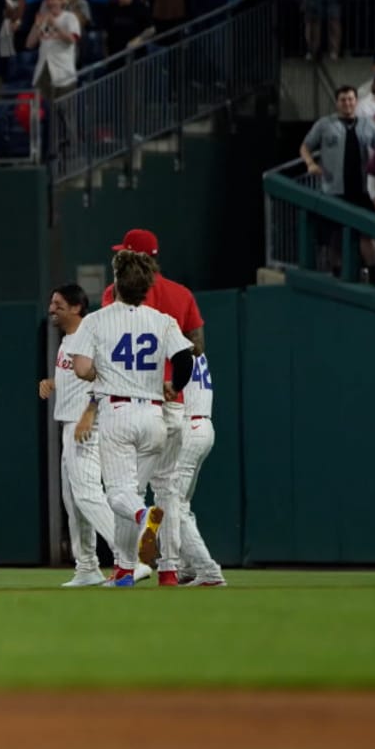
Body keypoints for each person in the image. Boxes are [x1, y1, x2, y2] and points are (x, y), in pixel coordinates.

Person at [67, 251, 195, 587]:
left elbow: (81, 369)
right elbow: (186, 357)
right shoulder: (162, 320)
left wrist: (99, 372)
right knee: (140, 489)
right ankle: (129, 569)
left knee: (120, 496)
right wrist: (174, 385)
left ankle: (143, 517)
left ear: (116, 283)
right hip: (155, 415)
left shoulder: (97, 320)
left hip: (118, 413)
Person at [99, 229, 205, 565]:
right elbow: (197, 347)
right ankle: (170, 567)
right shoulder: (182, 294)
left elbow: (110, 341)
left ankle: (125, 567)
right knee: (169, 491)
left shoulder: (114, 294)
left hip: (129, 400)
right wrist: (172, 380)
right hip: (171, 403)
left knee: (125, 493)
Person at [40, 284, 145, 587]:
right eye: (51, 303)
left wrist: (89, 412)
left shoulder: (92, 333)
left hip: (85, 423)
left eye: (58, 304)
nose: (51, 310)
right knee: (73, 500)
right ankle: (86, 566)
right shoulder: (69, 340)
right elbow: (79, 376)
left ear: (76, 308)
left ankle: (129, 560)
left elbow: (107, 376)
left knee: (87, 494)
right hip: (70, 423)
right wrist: (53, 382)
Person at [300, 86, 375, 280]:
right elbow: (305, 146)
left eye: (351, 99)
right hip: (334, 189)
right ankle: (337, 270)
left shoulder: (367, 124)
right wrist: (311, 163)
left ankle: (372, 270)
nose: (347, 103)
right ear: (337, 102)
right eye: (343, 100)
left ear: (356, 101)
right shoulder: (324, 124)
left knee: (367, 232)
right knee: (335, 234)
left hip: (362, 189)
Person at [175, 352, 227, 586]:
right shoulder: (197, 350)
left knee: (173, 505)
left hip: (190, 425)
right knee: (181, 504)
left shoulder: (180, 350)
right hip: (203, 424)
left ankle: (208, 570)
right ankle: (187, 566)